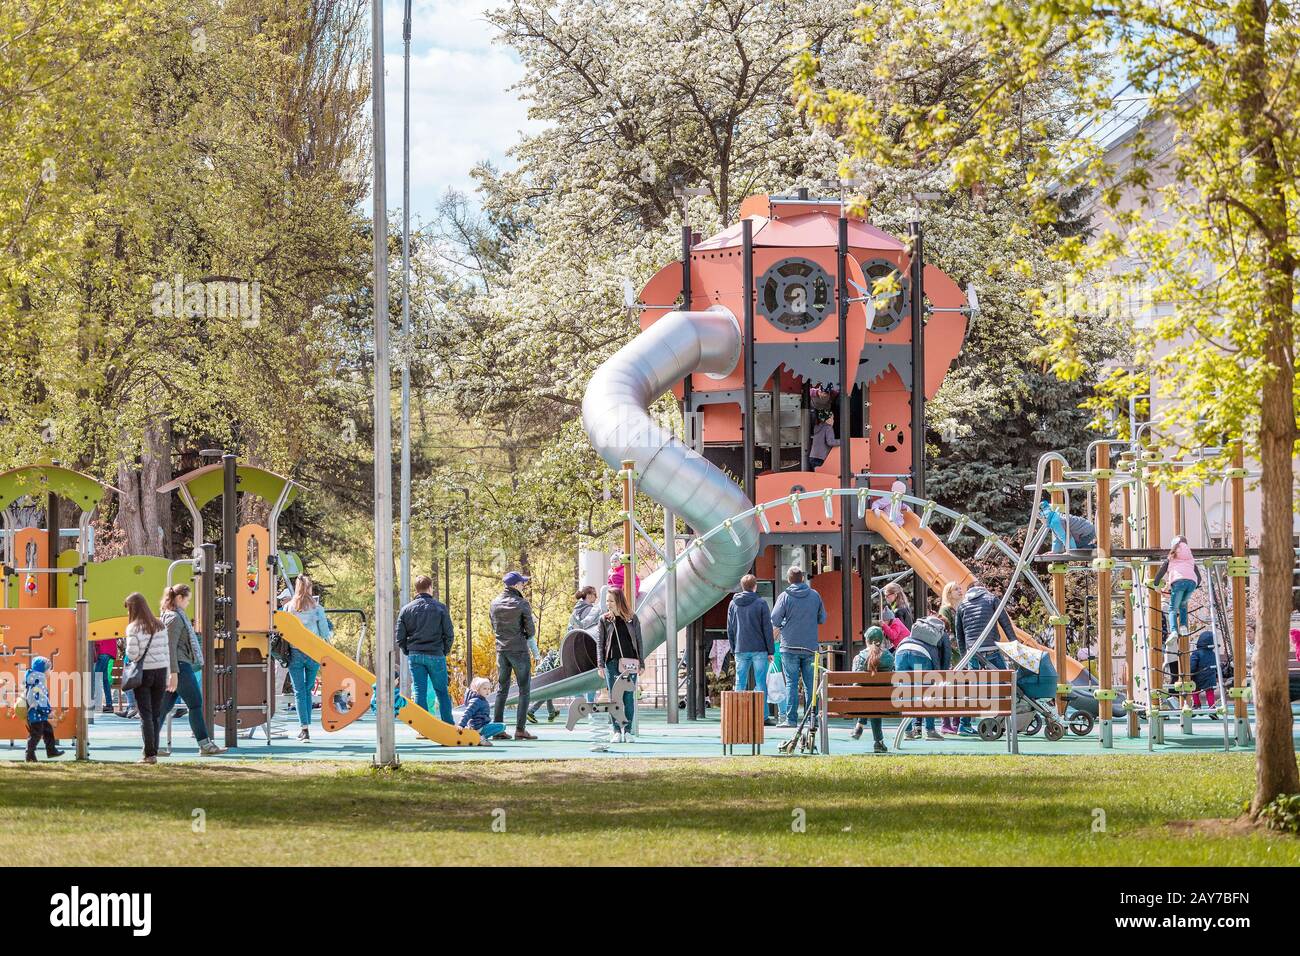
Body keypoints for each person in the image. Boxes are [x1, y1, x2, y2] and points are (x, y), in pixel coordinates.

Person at [156, 584, 224, 755]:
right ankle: (205, 745)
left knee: (163, 708)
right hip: (179, 666)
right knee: (195, 704)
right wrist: (173, 673)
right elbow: (170, 646)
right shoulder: (175, 618)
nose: (188, 603)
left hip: (176, 666)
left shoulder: (168, 616)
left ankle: (150, 746)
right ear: (179, 598)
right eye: (187, 600)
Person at [954, 580, 1016, 736]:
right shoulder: (991, 599)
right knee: (1006, 682)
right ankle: (1005, 718)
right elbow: (1005, 622)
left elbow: (959, 634)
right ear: (983, 588)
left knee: (972, 689)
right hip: (992, 648)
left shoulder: (962, 605)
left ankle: (964, 725)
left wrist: (964, 656)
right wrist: (1014, 642)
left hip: (973, 651)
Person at [123, 591, 175, 764]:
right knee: (155, 713)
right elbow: (167, 652)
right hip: (160, 672)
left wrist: (126, 648)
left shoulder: (133, 628)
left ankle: (149, 754)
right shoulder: (160, 625)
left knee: (145, 715)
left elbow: (133, 654)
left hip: (143, 674)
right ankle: (153, 751)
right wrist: (168, 675)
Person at [770, 567, 826, 728]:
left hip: (789, 646)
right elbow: (822, 618)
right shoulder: (815, 595)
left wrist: (785, 623)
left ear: (789, 580)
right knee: (810, 684)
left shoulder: (785, 596)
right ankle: (811, 719)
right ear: (803, 578)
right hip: (810, 646)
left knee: (791, 683)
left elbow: (774, 618)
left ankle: (791, 720)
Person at [395, 574, 455, 723]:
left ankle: (423, 725)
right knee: (441, 691)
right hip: (435, 654)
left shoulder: (406, 609)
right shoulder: (440, 608)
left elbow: (400, 637)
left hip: (415, 655)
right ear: (430, 588)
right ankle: (448, 724)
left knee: (419, 692)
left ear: (416, 589)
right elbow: (449, 633)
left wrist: (408, 651)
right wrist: (444, 650)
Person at [489, 571, 538, 741]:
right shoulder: (522, 603)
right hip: (518, 649)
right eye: (522, 583)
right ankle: (520, 729)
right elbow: (531, 630)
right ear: (516, 585)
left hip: (501, 650)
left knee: (502, 689)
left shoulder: (494, 603)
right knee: (524, 689)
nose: (523, 585)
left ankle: (497, 728)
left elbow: (493, 625)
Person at [286, 574, 332, 741]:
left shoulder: (290, 608)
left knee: (299, 691)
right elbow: (324, 633)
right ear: (309, 588)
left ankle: (304, 728)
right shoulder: (317, 609)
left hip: (295, 651)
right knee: (308, 689)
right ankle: (307, 724)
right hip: (313, 652)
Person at [596, 587, 645, 743]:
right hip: (612, 663)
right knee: (614, 697)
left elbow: (639, 641)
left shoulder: (632, 618)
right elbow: (600, 643)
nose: (608, 604)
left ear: (619, 601)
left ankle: (628, 731)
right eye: (607, 601)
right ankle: (616, 730)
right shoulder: (604, 619)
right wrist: (600, 665)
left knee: (628, 697)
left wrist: (641, 663)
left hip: (630, 663)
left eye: (611, 601)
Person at [727, 574, 775, 725]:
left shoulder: (733, 604)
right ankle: (763, 717)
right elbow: (767, 628)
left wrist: (734, 647)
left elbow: (730, 628)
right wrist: (770, 650)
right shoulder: (761, 603)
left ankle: (737, 715)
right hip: (759, 648)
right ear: (755, 586)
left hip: (741, 648)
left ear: (742, 586)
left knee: (740, 682)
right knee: (761, 683)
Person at [897, 611, 949, 741]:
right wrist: (941, 674)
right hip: (920, 656)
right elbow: (946, 657)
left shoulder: (918, 628)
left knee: (906, 693)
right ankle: (930, 730)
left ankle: (908, 731)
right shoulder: (941, 632)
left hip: (902, 652)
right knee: (926, 694)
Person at [850, 627, 894, 753]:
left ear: (867, 640)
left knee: (868, 696)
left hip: (861, 704)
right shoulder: (889, 658)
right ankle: (878, 742)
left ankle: (860, 725)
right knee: (876, 698)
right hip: (885, 704)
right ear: (882, 640)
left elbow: (855, 683)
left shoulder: (859, 658)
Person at [1152, 535, 1200, 638]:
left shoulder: (1172, 556)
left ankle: (1174, 631)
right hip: (1192, 583)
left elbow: (1161, 571)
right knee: (1182, 605)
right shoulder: (1190, 558)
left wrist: (1156, 584)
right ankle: (1183, 627)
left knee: (1173, 609)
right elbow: (1198, 577)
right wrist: (1195, 586)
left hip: (1178, 582)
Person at [20, 656, 63, 762]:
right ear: (42, 671)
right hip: (36, 714)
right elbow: (39, 699)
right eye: (49, 669)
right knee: (35, 735)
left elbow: (41, 699)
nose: (50, 671)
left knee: (48, 730)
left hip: (38, 714)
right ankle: (29, 754)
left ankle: (51, 750)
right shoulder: (38, 682)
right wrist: (47, 712)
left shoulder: (35, 681)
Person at [939, 582, 964, 733]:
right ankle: (946, 723)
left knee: (958, 690)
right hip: (950, 656)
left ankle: (957, 722)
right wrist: (961, 647)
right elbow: (946, 633)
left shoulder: (959, 609)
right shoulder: (945, 610)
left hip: (959, 656)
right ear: (949, 593)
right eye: (956, 589)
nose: (960, 591)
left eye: (960, 588)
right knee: (948, 690)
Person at [457, 676, 507, 745]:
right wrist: (461, 725)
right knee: (502, 726)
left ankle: (480, 737)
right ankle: (479, 738)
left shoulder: (482, 700)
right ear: (478, 690)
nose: (487, 691)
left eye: (489, 689)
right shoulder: (476, 701)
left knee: (500, 726)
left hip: (481, 725)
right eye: (484, 689)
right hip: (477, 727)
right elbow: (468, 712)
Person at [1189, 630, 1219, 714]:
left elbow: (1193, 664)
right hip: (1210, 677)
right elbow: (1215, 664)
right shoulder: (1212, 653)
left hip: (1198, 676)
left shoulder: (1196, 653)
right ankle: (1211, 706)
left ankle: (1197, 705)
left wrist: (1190, 674)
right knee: (1210, 692)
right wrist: (1215, 675)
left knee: (1195, 690)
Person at [92, 636, 117, 714]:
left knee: (95, 677)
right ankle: (109, 705)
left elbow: (96, 639)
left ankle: (97, 704)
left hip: (103, 650)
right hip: (109, 650)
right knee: (105, 680)